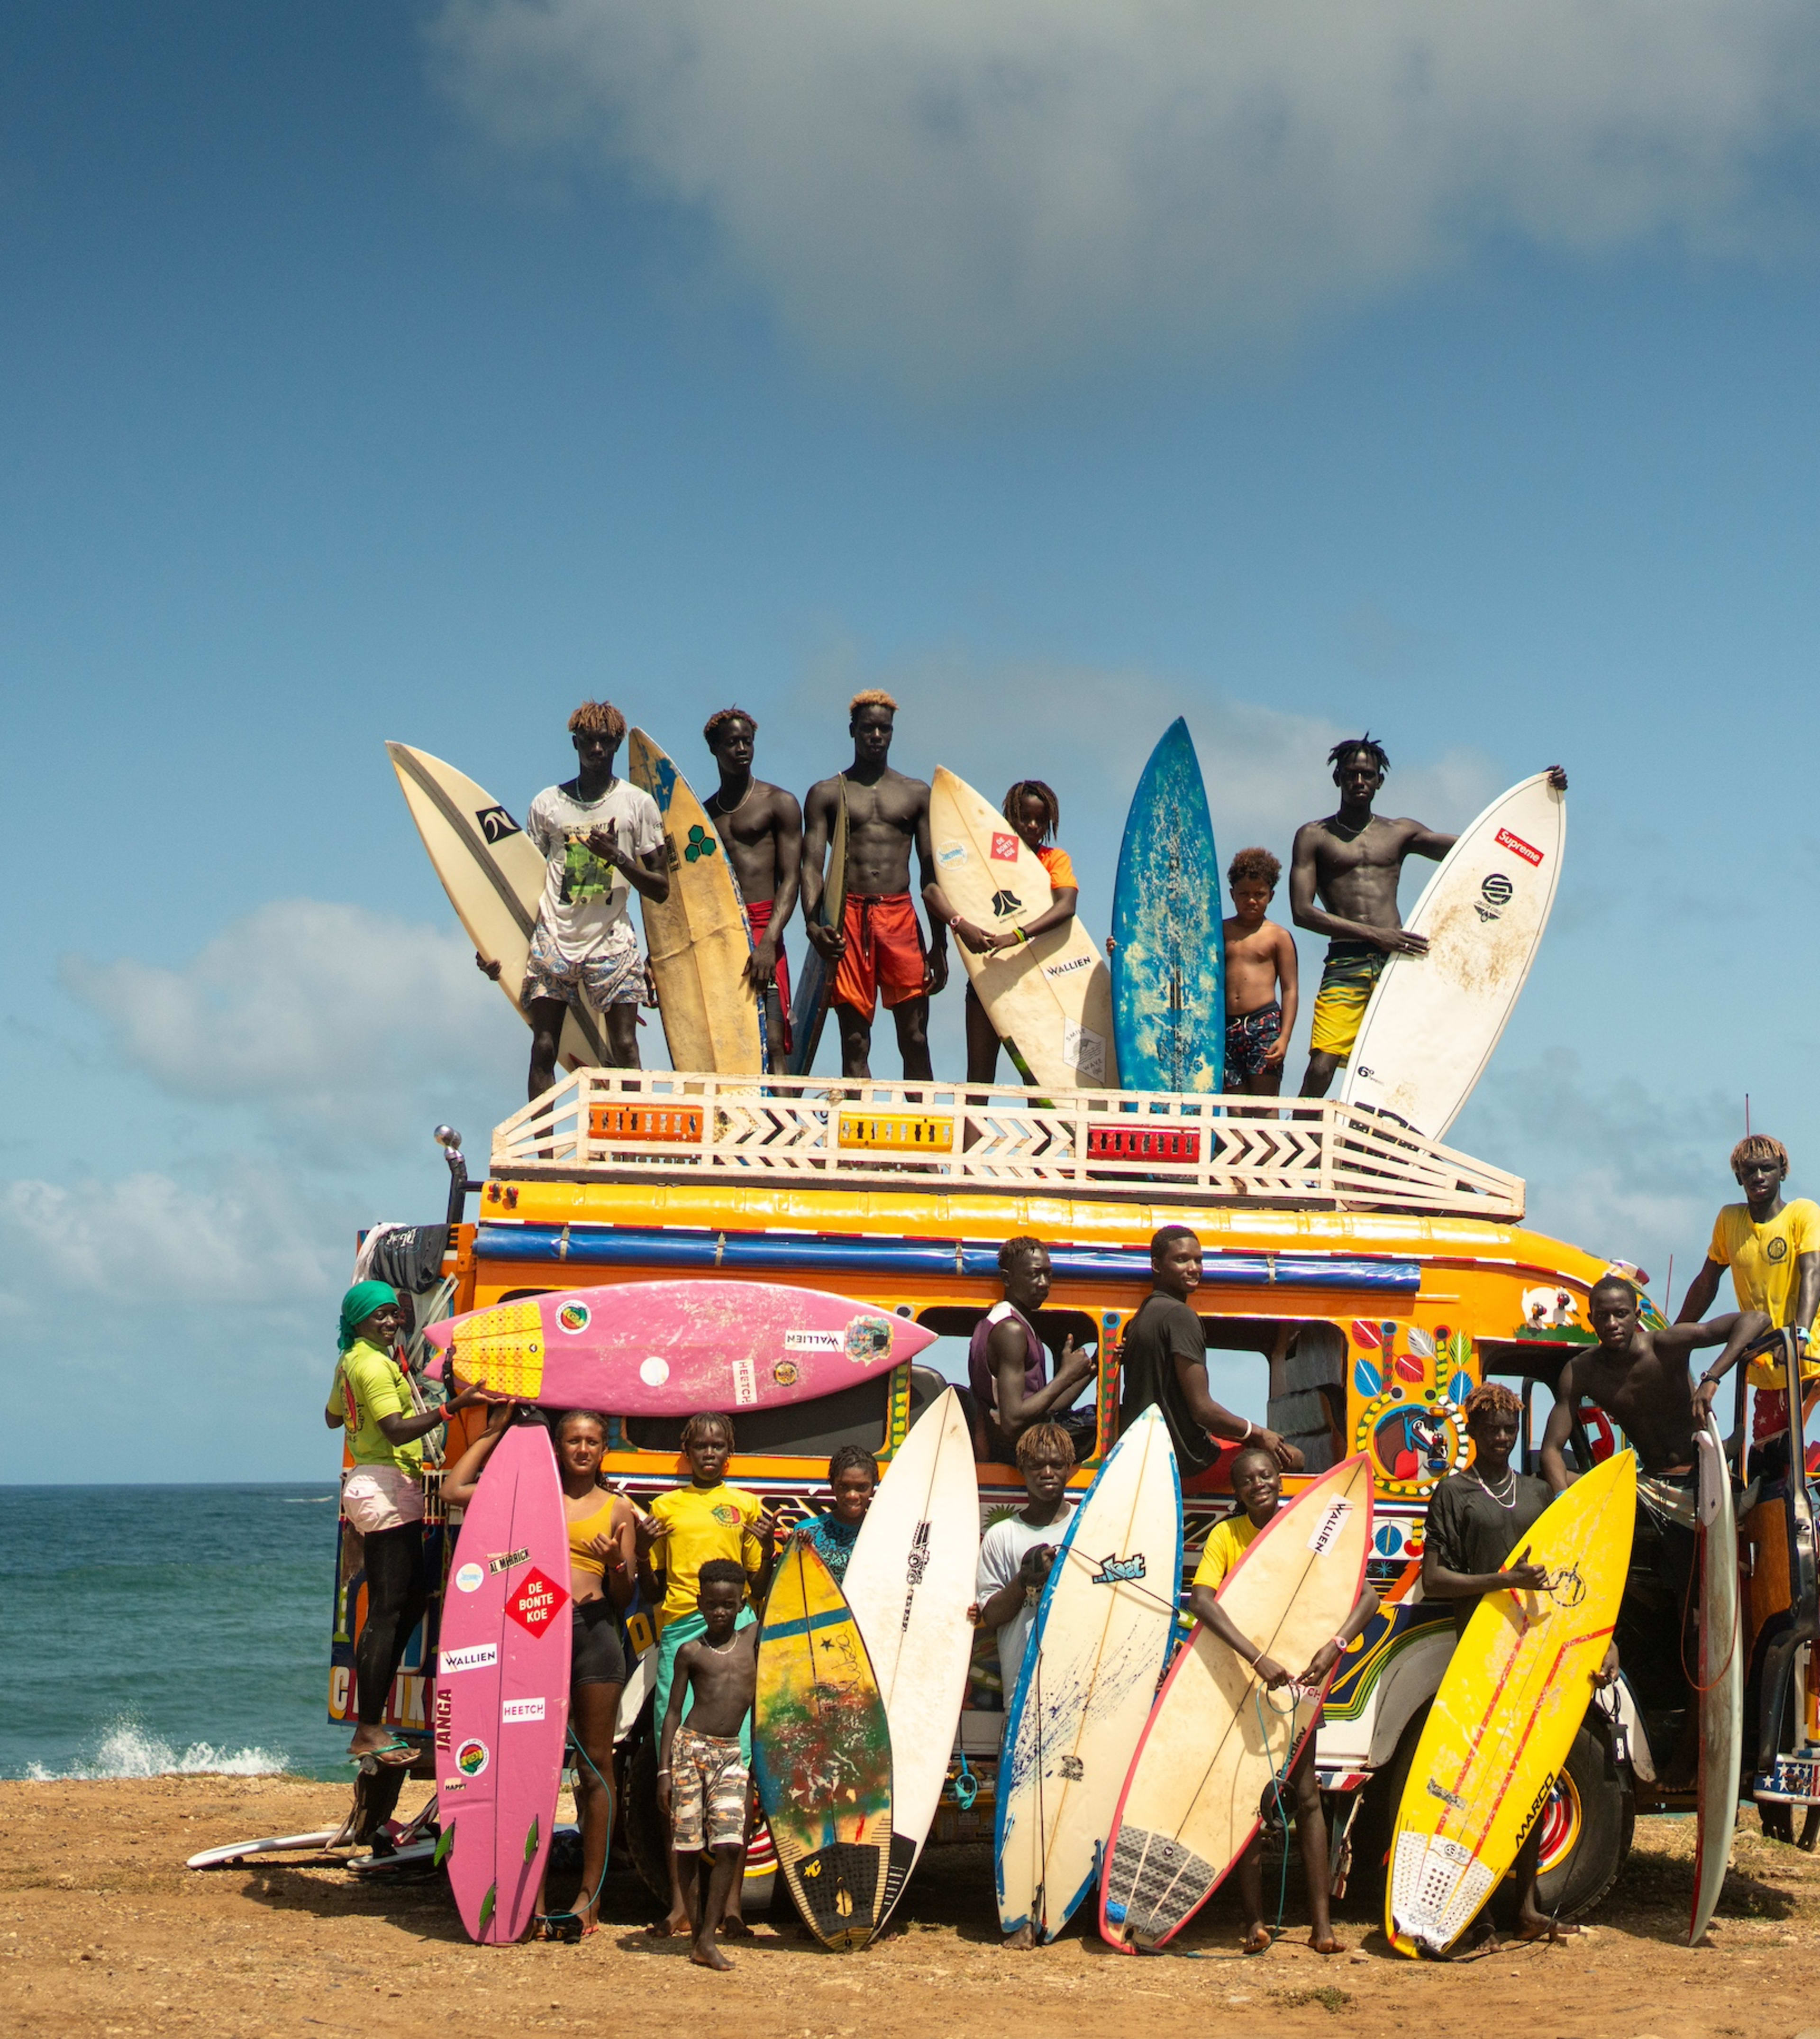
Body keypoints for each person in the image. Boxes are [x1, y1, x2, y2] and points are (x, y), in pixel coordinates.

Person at [1540, 1275, 1767, 1786]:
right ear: (1591, 1318)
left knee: (1700, 1628)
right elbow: (1552, 1447)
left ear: (1636, 1312)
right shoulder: (1582, 1371)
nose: (1613, 1323)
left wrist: (1712, 1376)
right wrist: (1569, 1502)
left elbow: (1754, 1320)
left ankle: (1695, 1753)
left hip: (1699, 1484)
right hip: (1648, 1491)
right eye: (1603, 1314)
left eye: (1621, 1313)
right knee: (1638, 1601)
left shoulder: (1667, 1345)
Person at [1421, 1383, 1613, 1944]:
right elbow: (1436, 1579)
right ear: (1474, 1433)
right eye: (1491, 1430)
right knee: (1475, 1790)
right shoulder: (1454, 1493)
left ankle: (1526, 1908)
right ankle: (1475, 1913)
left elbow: (1571, 1576)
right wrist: (1502, 1580)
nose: (1502, 1439)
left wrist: (1605, 1643)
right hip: (1480, 1657)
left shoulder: (1536, 1493)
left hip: (1536, 1656)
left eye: (1510, 1429)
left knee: (1529, 1784)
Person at [441, 1406, 636, 1936]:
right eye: (572, 1439)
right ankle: (528, 1896)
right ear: (557, 1445)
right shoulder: (526, 1493)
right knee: (528, 1764)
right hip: (535, 1624)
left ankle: (588, 1898)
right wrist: (496, 1432)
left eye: (592, 1440)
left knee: (595, 1764)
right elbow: (453, 1489)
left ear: (603, 1449)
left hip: (595, 1630)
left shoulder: (620, 1508)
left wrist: (617, 1563)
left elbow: (625, 1596)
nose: (582, 1448)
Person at [1289, 738, 1569, 1098]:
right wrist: (1377, 935)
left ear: (1379, 782)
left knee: (1392, 1065)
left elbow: (1476, 846)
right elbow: (1302, 912)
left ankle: (1378, 1143)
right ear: (1338, 778)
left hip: (1396, 963)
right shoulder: (1314, 836)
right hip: (1347, 961)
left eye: (1368, 775)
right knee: (1322, 1065)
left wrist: (1539, 802)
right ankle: (1297, 1142)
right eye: (1352, 775)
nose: (1360, 782)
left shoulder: (1399, 832)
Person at [1190, 1445, 1378, 1955]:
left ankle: (1322, 1926)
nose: (1259, 1484)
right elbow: (1201, 1599)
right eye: (1248, 1479)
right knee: (1248, 1797)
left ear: (1281, 1479)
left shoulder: (1305, 1529)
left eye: (1267, 1474)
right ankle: (1253, 1922)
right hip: (1243, 1685)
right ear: (1238, 1490)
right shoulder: (1228, 1536)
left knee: (1309, 1794)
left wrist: (1333, 1644)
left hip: (1300, 1679)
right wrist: (1255, 1658)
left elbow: (1367, 1596)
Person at [323, 1280, 491, 1763]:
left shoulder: (351, 1359)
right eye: (380, 1316)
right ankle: (368, 1727)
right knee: (388, 1610)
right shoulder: (373, 1363)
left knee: (410, 1599)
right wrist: (449, 1408)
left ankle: (371, 1716)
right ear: (357, 1320)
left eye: (394, 1314)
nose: (392, 1321)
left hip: (375, 1481)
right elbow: (396, 1427)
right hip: (384, 1485)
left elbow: (333, 1418)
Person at [481, 699, 669, 1097]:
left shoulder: (638, 804)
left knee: (625, 1047)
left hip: (612, 939)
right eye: (587, 741)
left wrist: (618, 857)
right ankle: (544, 1149)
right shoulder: (547, 804)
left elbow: (661, 886)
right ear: (575, 744)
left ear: (617, 744)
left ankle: (630, 1149)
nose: (596, 749)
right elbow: (521, 879)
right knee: (544, 1046)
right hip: (555, 937)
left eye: (604, 741)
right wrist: (492, 945)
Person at [638, 1411, 777, 1938]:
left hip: (736, 1634)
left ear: (730, 1449)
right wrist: (643, 1549)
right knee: (678, 1774)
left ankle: (732, 1908)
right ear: (687, 1449)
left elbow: (757, 1585)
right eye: (701, 1444)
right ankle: (680, 1907)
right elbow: (651, 1591)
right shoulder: (665, 1508)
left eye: (719, 1444)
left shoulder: (745, 1506)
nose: (710, 1452)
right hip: (681, 1635)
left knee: (735, 1779)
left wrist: (763, 1545)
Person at [801, 690, 948, 1080]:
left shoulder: (916, 793)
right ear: (853, 731)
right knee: (854, 1041)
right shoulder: (827, 793)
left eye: (885, 728)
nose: (877, 736)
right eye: (868, 728)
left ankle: (924, 1130)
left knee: (915, 1037)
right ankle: (856, 1133)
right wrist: (813, 925)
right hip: (848, 917)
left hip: (900, 916)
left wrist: (940, 944)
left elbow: (931, 873)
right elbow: (811, 867)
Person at [968, 1421, 1077, 1947]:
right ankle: (1019, 1914)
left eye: (1057, 1464)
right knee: (1022, 1799)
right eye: (1038, 1466)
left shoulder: (1090, 1528)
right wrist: (1026, 1577)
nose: (1049, 1474)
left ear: (1071, 1468)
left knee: (1072, 1799)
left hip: (1082, 1691)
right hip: (1023, 1689)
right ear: (1024, 1472)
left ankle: (1060, 1908)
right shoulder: (1003, 1536)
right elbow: (989, 1616)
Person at [922, 778, 1078, 1085]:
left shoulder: (1054, 860)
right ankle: (973, 1135)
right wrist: (960, 923)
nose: (1033, 825)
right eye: (1025, 817)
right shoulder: (984, 859)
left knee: (1039, 1079)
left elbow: (1066, 906)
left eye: (1040, 819)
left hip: (1038, 986)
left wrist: (1017, 935)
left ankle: (1046, 1137)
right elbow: (932, 892)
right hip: (988, 982)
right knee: (979, 1078)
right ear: (1010, 816)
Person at [1117, 1226, 1302, 1482]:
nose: (1194, 1268)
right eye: (1182, 1260)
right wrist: (1258, 1433)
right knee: (1292, 1457)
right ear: (1157, 1266)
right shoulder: (1180, 1316)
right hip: (1185, 1461)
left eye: (1199, 1260)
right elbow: (1203, 1411)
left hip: (1146, 1454)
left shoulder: (1143, 1316)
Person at [1676, 1134, 1820, 1462]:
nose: (1758, 1177)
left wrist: (1800, 1333)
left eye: (1767, 1169)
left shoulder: (1803, 1214)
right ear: (1739, 1176)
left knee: (1789, 1456)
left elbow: (1814, 1272)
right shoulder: (1730, 1221)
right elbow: (1706, 1282)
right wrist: (1674, 1335)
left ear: (1783, 1171)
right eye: (1750, 1170)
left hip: (1808, 1355)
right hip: (1766, 1366)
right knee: (1764, 1458)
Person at [656, 1559, 760, 1972]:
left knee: (731, 1843)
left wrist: (774, 1550)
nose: (720, 1612)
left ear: (741, 1606)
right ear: (700, 1603)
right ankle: (700, 1933)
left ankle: (706, 1937)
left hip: (732, 1752)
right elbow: (670, 1714)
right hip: (690, 1750)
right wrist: (664, 1771)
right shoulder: (690, 1651)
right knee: (688, 1845)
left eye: (729, 1605)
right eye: (713, 1604)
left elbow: (784, 1602)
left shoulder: (753, 1641)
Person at [702, 706, 803, 1064]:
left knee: (773, 1041)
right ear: (714, 748)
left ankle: (785, 1121)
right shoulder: (703, 816)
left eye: (748, 741)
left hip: (765, 924)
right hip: (721, 930)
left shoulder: (780, 803)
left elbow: (792, 878)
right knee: (728, 1040)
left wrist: (769, 943)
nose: (742, 749)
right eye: (732, 743)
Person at [966, 1236, 1098, 1463]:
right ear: (1007, 1279)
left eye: (1048, 1274)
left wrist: (1094, 1366)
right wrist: (1065, 1376)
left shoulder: (1007, 1323)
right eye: (1034, 1274)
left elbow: (1047, 1405)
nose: (1044, 1283)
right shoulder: (1011, 1331)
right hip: (1019, 1450)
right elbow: (1013, 1421)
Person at [1221, 847, 1299, 1099]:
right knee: (1236, 1110)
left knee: (1265, 1106)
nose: (1251, 900)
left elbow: (1290, 989)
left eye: (1259, 894)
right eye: (1244, 894)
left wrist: (1285, 1037)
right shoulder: (1218, 931)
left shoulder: (1278, 936)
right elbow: (1176, 953)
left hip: (1264, 1025)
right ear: (1232, 894)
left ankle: (1269, 1141)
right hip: (1225, 1026)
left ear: (1271, 896)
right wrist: (1120, 947)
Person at [792, 1445, 878, 1584]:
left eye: (862, 1488)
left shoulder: (886, 1534)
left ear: (873, 1487)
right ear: (833, 1485)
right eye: (844, 1486)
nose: (852, 1496)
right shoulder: (807, 1532)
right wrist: (793, 1551)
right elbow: (795, 1585)